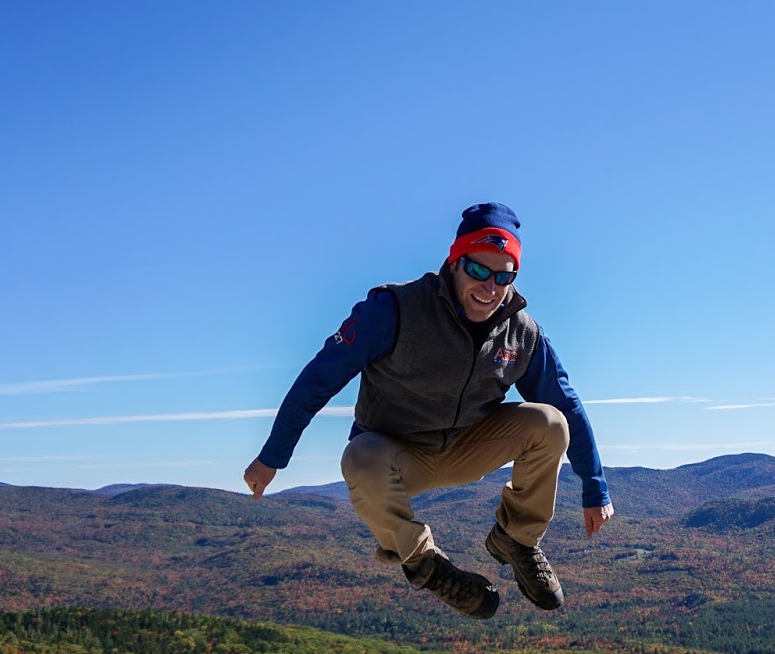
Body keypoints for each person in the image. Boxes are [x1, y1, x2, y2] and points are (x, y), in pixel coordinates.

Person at [243, 202, 615, 619]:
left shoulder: (521, 332)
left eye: (503, 276)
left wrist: (595, 487)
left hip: (469, 446)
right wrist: (273, 456)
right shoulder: (394, 311)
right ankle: (426, 564)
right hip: (399, 457)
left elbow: (568, 403)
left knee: (550, 423)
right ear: (454, 262)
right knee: (359, 458)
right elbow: (319, 378)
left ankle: (517, 539)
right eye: (478, 270)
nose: (490, 288)